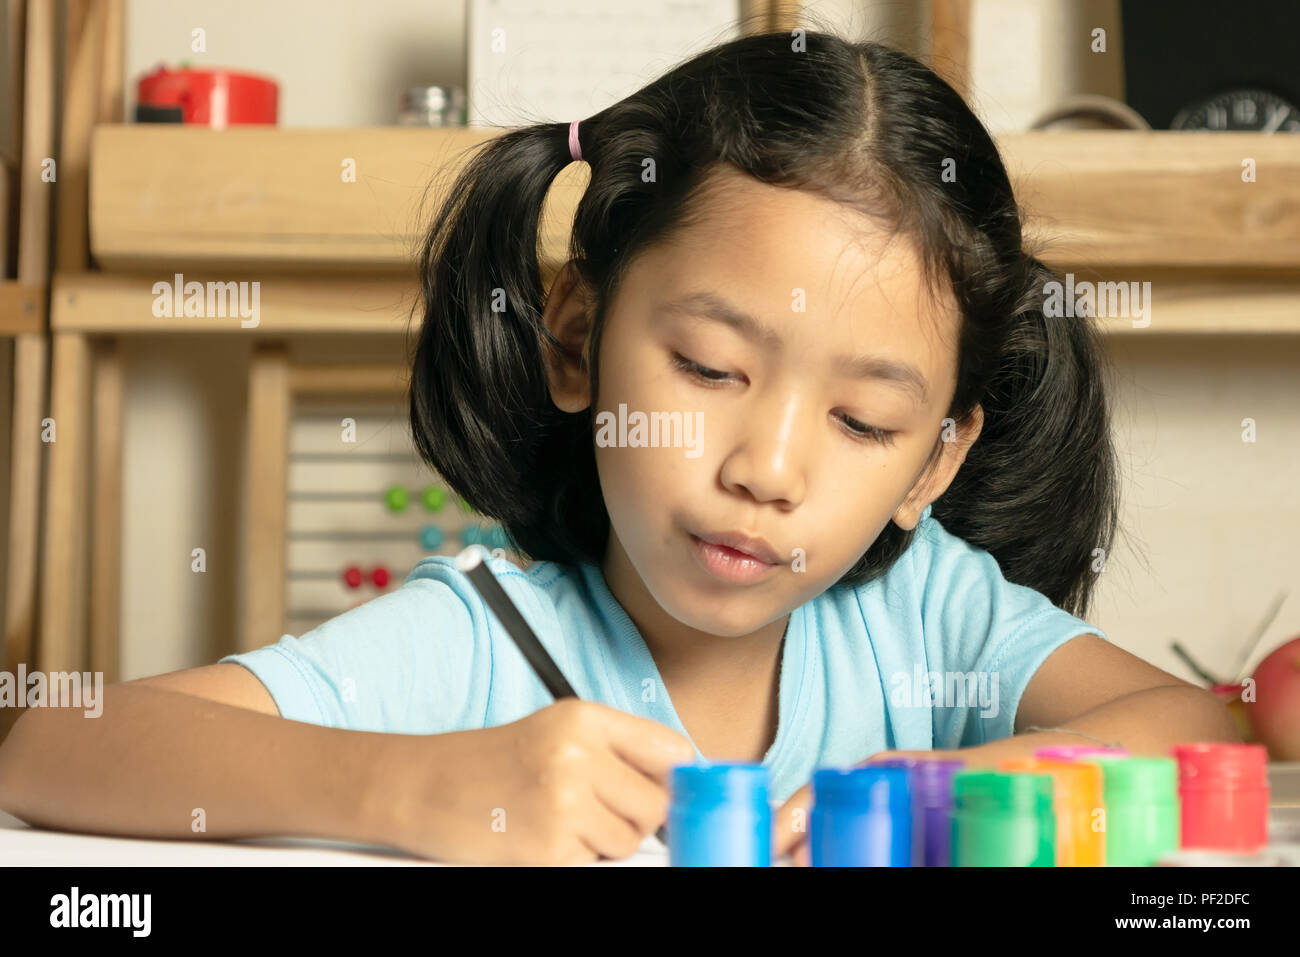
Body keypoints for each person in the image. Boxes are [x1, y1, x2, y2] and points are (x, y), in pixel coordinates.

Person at [0, 30, 1237, 866]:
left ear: (933, 464)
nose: (767, 467)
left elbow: (1205, 726)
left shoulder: (934, 621)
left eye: (862, 421)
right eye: (707, 369)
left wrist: (955, 792)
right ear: (578, 339)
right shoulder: (484, 639)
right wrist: (422, 789)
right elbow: (58, 743)